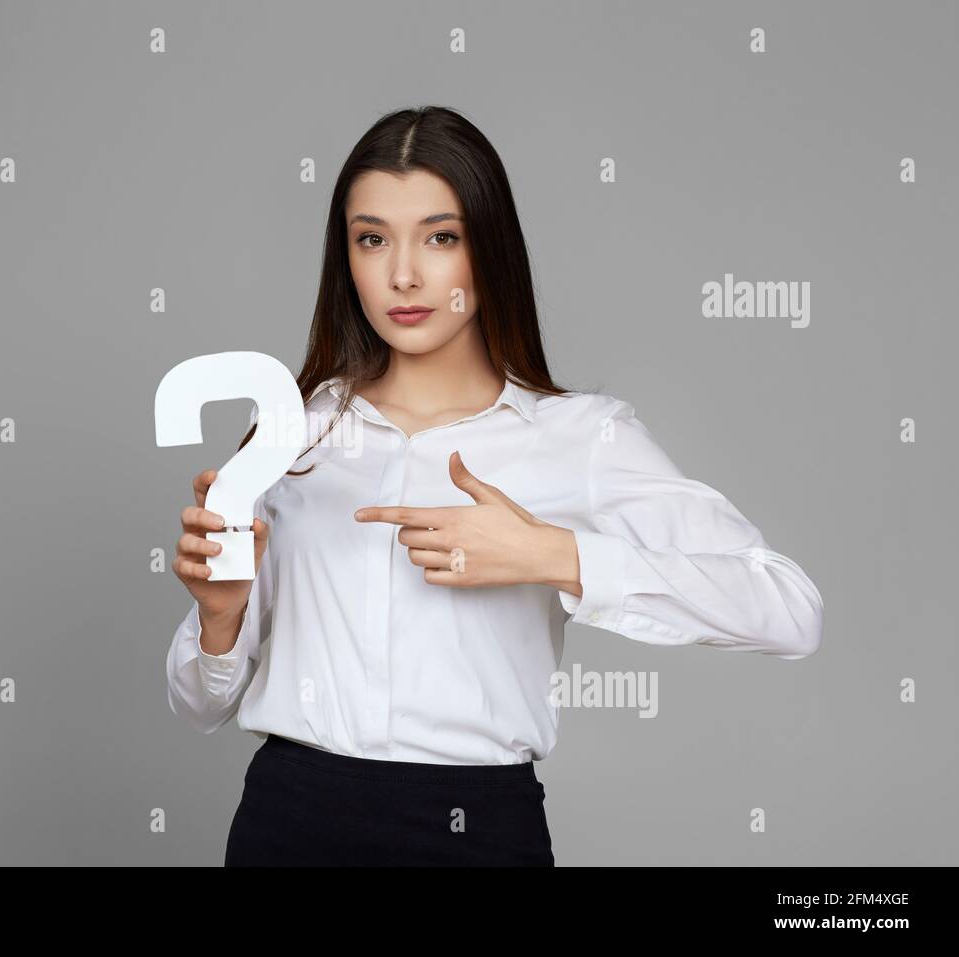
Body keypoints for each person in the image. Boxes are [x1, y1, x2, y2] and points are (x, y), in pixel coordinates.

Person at [164, 105, 824, 867]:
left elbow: (789, 609)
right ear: (344, 255)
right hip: (289, 819)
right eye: (371, 239)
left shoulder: (580, 437)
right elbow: (201, 703)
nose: (403, 274)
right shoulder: (293, 431)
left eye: (441, 237)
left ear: (490, 249)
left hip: (476, 833)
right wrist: (220, 615)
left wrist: (552, 554)